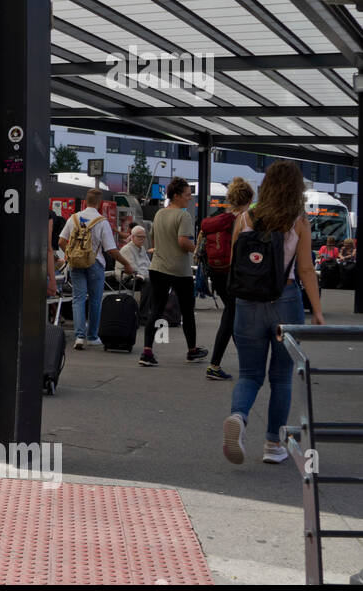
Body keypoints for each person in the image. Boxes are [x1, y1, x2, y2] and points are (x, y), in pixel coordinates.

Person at [222, 161, 324, 466]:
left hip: (248, 302)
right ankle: (272, 444)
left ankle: (239, 417)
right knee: (281, 378)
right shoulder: (298, 221)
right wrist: (317, 312)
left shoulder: (246, 217)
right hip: (286, 299)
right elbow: (306, 269)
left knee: (249, 374)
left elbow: (234, 262)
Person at [139, 177, 205, 366]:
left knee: (156, 310)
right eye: (187, 195)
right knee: (187, 311)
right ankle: (192, 350)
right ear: (176, 196)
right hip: (179, 269)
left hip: (158, 267)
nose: (190, 198)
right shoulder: (183, 216)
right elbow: (183, 242)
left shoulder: (159, 214)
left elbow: (153, 239)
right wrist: (198, 251)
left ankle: (147, 352)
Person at [59, 188, 135, 350]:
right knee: (94, 300)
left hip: (75, 264)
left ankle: (79, 337)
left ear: (85, 202)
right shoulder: (101, 222)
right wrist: (126, 263)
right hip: (95, 263)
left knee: (78, 299)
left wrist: (70, 254)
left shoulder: (73, 218)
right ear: (99, 204)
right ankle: (92, 336)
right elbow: (111, 249)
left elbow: (61, 241)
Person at [203, 177, 252, 381]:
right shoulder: (243, 219)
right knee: (231, 316)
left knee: (233, 315)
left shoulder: (221, 217)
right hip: (233, 272)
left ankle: (245, 361)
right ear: (248, 198)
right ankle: (214, 365)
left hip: (216, 272)